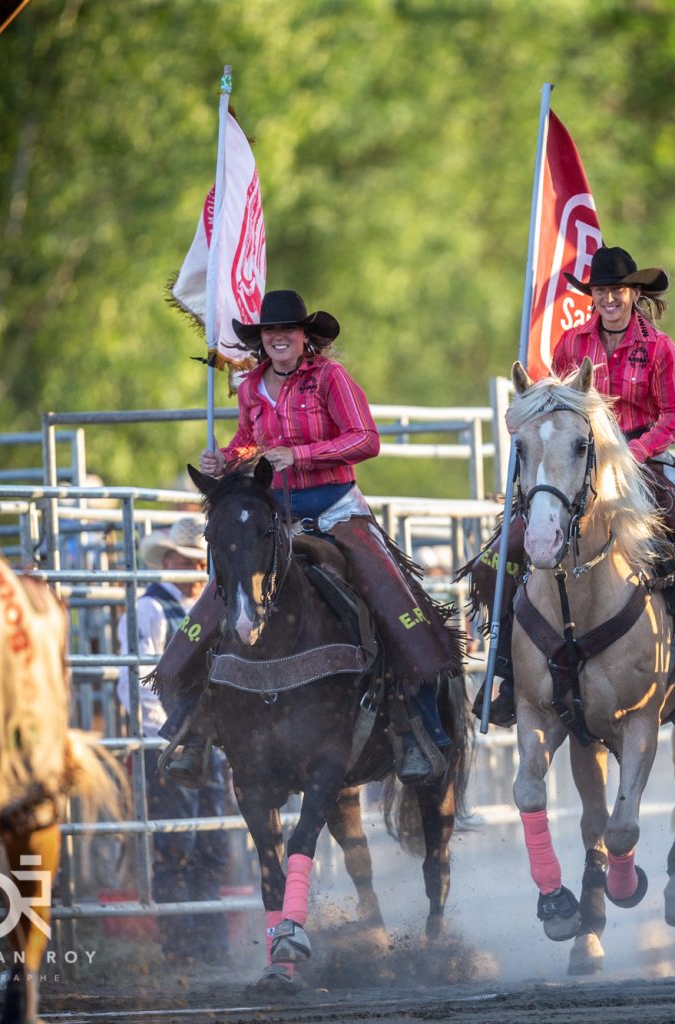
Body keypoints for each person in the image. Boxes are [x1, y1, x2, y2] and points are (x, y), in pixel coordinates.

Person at [161, 289, 457, 786]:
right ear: (261, 340)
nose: (278, 338)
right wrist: (225, 461)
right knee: (224, 590)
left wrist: (302, 456)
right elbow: (247, 442)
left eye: (287, 331)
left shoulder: (329, 378)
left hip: (337, 508)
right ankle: (191, 718)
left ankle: (422, 722)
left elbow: (366, 438)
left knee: (387, 593)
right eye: (269, 332)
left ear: (304, 337)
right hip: (278, 514)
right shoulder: (252, 386)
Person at [473, 246, 675, 726]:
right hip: (577, 462)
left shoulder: (661, 348)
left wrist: (633, 453)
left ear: (634, 294)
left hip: (643, 459)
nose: (608, 299)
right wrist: (524, 415)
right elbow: (553, 403)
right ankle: (505, 666)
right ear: (594, 295)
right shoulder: (571, 343)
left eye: (617, 290)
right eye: (601, 291)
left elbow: (673, 416)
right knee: (509, 545)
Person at [115, 516, 230, 966]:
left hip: (200, 744)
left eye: (201, 562)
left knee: (209, 846)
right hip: (170, 746)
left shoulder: (196, 610)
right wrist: (167, 740)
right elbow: (137, 684)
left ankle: (208, 944)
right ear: (169, 561)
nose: (198, 569)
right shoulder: (149, 610)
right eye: (189, 561)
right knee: (177, 847)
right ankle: (183, 947)